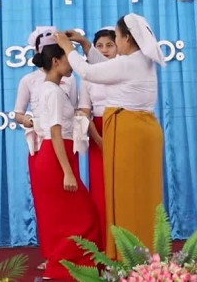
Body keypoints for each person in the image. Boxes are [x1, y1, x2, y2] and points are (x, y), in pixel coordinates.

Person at [54, 14, 166, 260]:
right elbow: (101, 67)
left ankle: (132, 256)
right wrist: (85, 44)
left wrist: (66, 47)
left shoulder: (129, 63)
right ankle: (143, 254)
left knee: (127, 195)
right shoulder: (139, 61)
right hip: (138, 130)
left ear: (127, 38)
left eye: (116, 37)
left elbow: (87, 71)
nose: (115, 41)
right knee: (140, 195)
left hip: (130, 131)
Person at [31, 32, 100, 280]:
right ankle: (63, 270)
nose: (72, 63)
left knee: (67, 220)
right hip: (57, 160)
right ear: (57, 62)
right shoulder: (53, 92)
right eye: (68, 58)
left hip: (57, 158)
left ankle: (66, 269)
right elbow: (55, 133)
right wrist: (69, 172)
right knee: (86, 219)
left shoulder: (50, 89)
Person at [13, 26, 78, 270]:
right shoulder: (29, 80)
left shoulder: (69, 80)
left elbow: (72, 111)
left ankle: (71, 254)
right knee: (49, 204)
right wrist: (28, 120)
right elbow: (18, 113)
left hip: (65, 144)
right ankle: (53, 254)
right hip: (45, 145)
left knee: (67, 204)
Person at [76, 27, 117, 251]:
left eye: (109, 45)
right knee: (102, 193)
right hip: (97, 133)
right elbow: (84, 112)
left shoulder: (124, 72)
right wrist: (99, 139)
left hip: (123, 129)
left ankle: (129, 249)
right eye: (99, 46)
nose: (104, 50)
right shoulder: (88, 77)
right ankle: (104, 248)